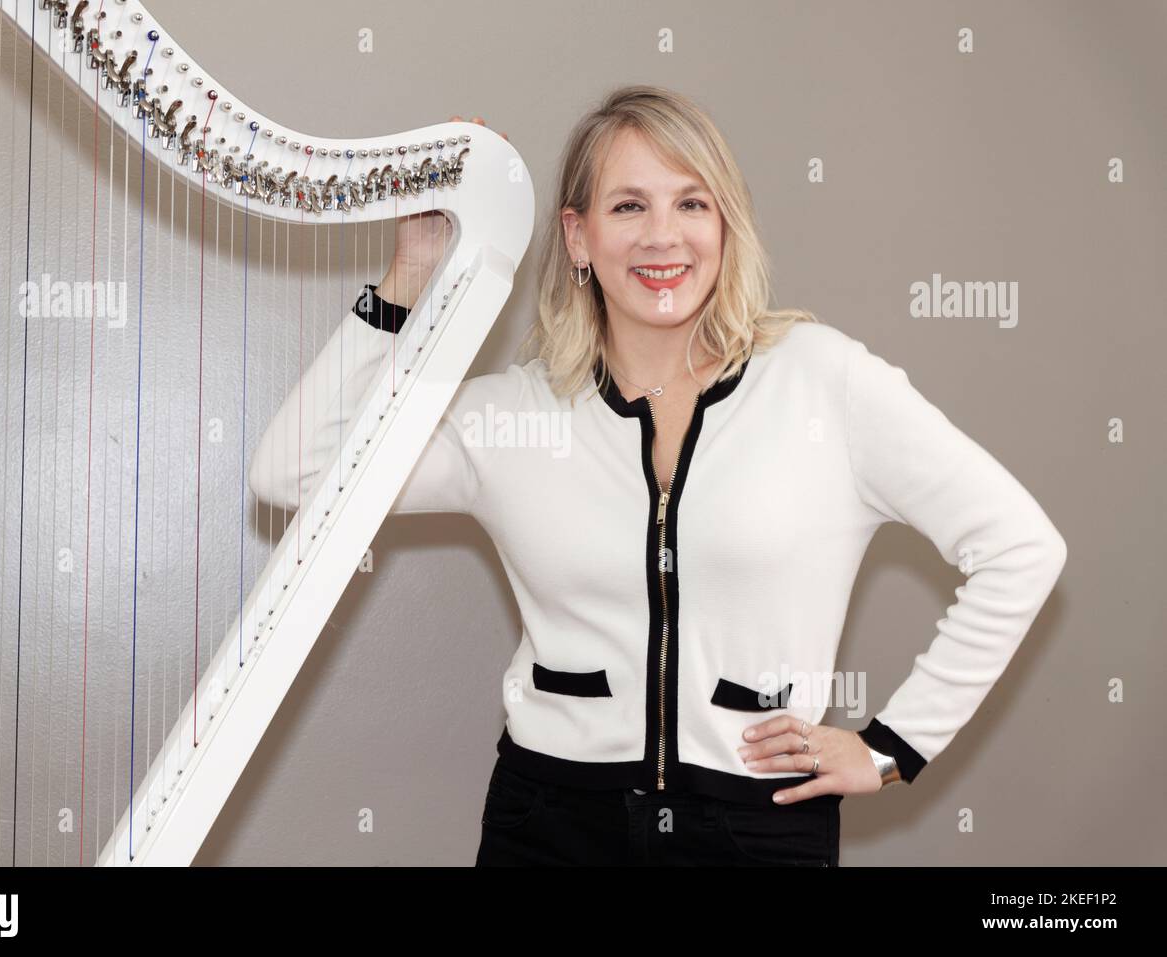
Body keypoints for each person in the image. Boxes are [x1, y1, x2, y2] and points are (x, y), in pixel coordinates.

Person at [248, 86, 1067, 866]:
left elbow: (1021, 547)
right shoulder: (515, 414)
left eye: (691, 203)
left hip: (759, 829)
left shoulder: (822, 383)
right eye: (628, 205)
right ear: (578, 236)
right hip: (551, 825)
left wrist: (892, 747)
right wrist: (410, 276)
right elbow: (292, 472)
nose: (662, 237)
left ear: (725, 225)